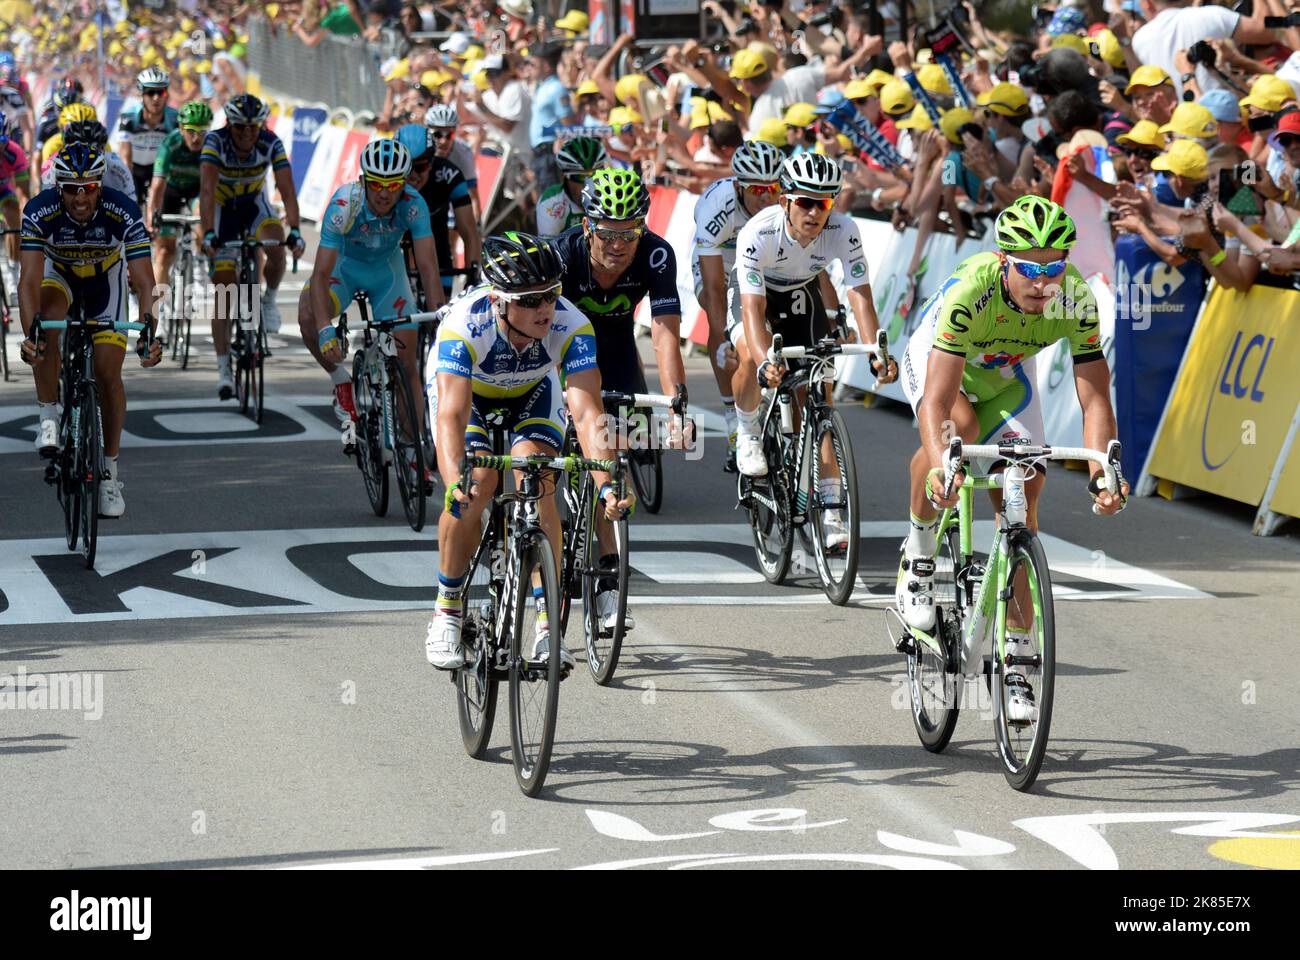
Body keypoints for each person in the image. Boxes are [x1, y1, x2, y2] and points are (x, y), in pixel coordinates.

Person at [894, 196, 1128, 722]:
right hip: (940, 369)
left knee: (1022, 495)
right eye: (1030, 267)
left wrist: (1101, 473)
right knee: (962, 432)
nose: (1043, 281)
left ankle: (1018, 657)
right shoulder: (971, 291)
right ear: (1004, 260)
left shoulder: (1075, 299)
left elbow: (1095, 397)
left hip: (1004, 381)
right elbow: (936, 401)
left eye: (1054, 267)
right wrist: (941, 467)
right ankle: (919, 550)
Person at [424, 232, 632, 671]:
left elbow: (587, 410)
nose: (546, 308)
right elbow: (452, 418)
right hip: (472, 398)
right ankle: (446, 609)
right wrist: (451, 482)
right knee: (477, 485)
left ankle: (546, 627)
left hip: (532, 390)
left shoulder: (572, 326)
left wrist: (607, 485)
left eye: (552, 294)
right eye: (532, 299)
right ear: (500, 301)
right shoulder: (465, 325)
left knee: (538, 479)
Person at [732, 152, 896, 551]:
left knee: (818, 397)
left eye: (824, 202)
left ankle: (832, 510)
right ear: (785, 200)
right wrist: (765, 362)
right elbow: (753, 312)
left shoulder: (844, 229)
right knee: (752, 356)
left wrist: (877, 350)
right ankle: (748, 429)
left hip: (801, 293)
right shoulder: (758, 232)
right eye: (805, 201)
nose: (815, 212)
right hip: (758, 294)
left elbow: (860, 296)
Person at [553, 168, 692, 632]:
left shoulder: (655, 256)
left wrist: (675, 402)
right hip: (559, 351)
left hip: (612, 348)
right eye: (608, 234)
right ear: (587, 226)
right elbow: (539, 333)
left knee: (612, 462)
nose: (618, 246)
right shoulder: (563, 255)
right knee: (547, 454)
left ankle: (610, 582)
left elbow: (665, 333)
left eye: (629, 234)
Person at [17, 143, 163, 518]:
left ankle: (110, 474)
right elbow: (28, 282)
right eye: (70, 188)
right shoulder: (40, 210)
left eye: (89, 188)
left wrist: (149, 333)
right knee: (46, 323)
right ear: (58, 187)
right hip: (59, 276)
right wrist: (31, 335)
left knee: (107, 373)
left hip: (105, 281)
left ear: (100, 185)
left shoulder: (123, 210)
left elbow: (146, 282)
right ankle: (49, 415)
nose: (80, 197)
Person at [298, 137, 443, 442]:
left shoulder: (414, 204)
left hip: (387, 275)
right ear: (364, 181)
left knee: (407, 364)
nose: (385, 193)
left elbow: (428, 266)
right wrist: (325, 329)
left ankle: (414, 453)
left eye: (394, 185)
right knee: (309, 309)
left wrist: (440, 318)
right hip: (345, 269)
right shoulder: (343, 204)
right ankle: (341, 381)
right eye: (377, 184)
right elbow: (321, 273)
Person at [199, 93, 305, 400]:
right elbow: (206, 190)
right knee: (224, 291)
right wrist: (207, 233)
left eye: (253, 127)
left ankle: (268, 300)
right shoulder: (215, 143)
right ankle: (223, 369)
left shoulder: (271, 143)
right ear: (229, 124)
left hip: (254, 204)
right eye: (240, 127)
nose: (247, 133)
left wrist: (296, 230)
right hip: (222, 209)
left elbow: (286, 188)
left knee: (276, 243)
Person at [690, 139, 783, 472]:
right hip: (722, 259)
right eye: (757, 191)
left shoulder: (783, 204)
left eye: (773, 188)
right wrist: (725, 335)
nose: (767, 197)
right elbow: (715, 288)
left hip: (761, 256)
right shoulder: (719, 206)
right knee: (725, 324)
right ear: (740, 186)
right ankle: (732, 413)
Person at [395, 123, 479, 304]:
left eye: (420, 167)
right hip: (398, 254)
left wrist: (472, 276)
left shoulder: (449, 175)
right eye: (406, 169)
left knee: (437, 320)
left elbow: (469, 232)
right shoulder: (387, 178)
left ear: (432, 162)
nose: (412, 176)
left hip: (438, 252)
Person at [148, 101, 212, 299]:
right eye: (191, 131)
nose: (196, 137)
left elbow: (212, 187)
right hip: (171, 191)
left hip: (197, 190)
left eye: (202, 132)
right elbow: (157, 186)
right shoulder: (170, 144)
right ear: (181, 128)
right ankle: (160, 304)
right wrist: (152, 217)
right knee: (165, 252)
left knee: (202, 212)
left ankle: (201, 261)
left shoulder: (211, 146)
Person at [115, 68, 180, 205]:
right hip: (135, 168)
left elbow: (178, 154)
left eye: (161, 92)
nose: (156, 98)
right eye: (150, 92)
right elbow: (125, 158)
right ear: (142, 95)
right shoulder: (129, 118)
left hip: (159, 168)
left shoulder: (175, 118)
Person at [535, 136, 605, 238]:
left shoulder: (612, 193)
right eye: (580, 177)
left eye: (594, 176)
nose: (587, 184)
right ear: (565, 176)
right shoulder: (552, 202)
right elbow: (549, 251)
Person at [424, 104, 481, 225]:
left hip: (446, 201)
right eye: (437, 135)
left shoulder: (464, 154)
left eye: (448, 135)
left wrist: (477, 228)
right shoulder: (419, 149)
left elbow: (472, 196)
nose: (443, 141)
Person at [0, 110, 31, 263]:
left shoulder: (15, 152)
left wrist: (27, 217)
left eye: (1, 140)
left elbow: (23, 193)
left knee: (12, 212)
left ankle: (14, 268)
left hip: (4, 191)